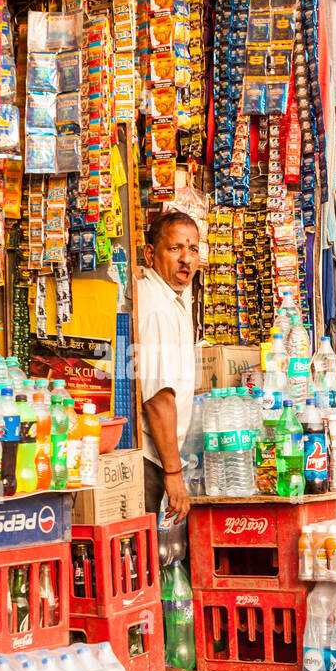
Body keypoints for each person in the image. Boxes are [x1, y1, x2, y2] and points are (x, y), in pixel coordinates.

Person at [137, 210, 202, 524]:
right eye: (175, 249)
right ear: (151, 254)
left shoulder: (174, 297)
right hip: (150, 460)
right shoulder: (157, 309)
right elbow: (159, 399)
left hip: (160, 458)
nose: (185, 259)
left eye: (192, 250)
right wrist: (174, 474)